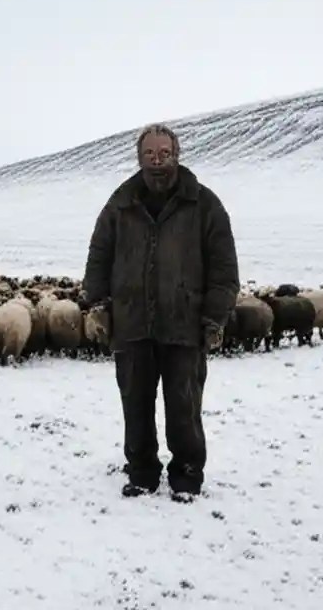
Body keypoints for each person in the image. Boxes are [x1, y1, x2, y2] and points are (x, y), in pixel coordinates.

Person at [82, 123, 240, 501]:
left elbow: (224, 269)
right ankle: (141, 473)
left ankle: (186, 475)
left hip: (184, 324)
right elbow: (99, 256)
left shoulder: (204, 205)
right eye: (150, 154)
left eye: (164, 154)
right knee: (135, 405)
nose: (157, 161)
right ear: (139, 158)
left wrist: (214, 317)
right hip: (132, 322)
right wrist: (99, 305)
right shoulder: (120, 204)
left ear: (177, 155)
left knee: (184, 405)